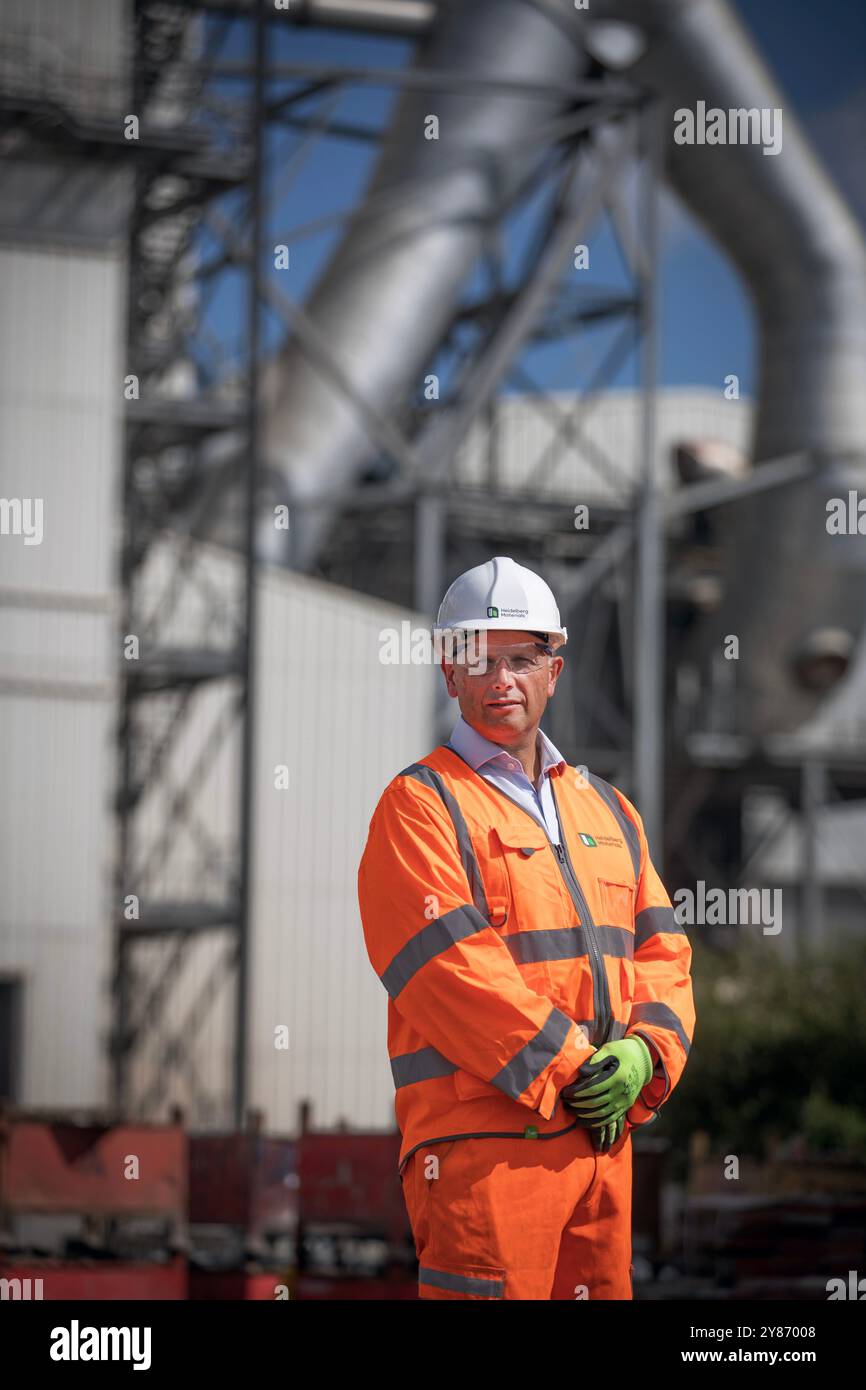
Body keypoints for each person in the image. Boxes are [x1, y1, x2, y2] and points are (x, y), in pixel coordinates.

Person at [357, 555, 695, 1300]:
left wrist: (648, 1054)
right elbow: (446, 966)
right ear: (450, 675)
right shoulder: (421, 807)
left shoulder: (608, 811)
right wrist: (573, 1066)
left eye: (522, 659)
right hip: (484, 1153)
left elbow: (664, 953)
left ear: (555, 671)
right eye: (481, 661)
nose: (502, 680)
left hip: (604, 1149)